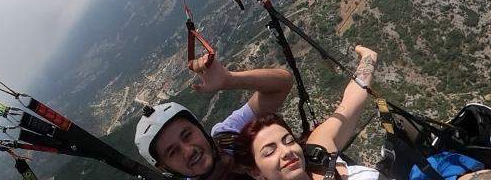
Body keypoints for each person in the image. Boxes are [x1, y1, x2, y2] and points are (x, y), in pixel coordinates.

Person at [135, 54, 296, 179]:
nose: (188, 150)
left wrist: (230, 80)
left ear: (200, 129)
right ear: (164, 168)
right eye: (172, 152)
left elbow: (282, 84)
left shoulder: (227, 135)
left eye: (187, 135)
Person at [233, 46, 380, 180]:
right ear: (255, 172)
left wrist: (369, 57)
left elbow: (351, 102)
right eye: (270, 152)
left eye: (289, 141)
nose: (286, 151)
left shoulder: (319, 151)